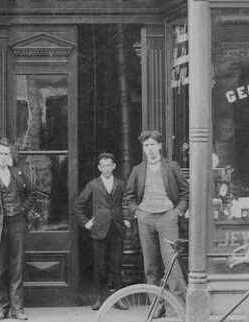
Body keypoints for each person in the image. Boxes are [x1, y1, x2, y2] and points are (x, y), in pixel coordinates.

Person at [123, 130, 189, 304]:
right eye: (146, 145)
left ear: (159, 146)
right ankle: (156, 307)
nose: (150, 148)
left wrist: (177, 211)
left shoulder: (171, 166)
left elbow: (185, 192)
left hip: (167, 217)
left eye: (152, 144)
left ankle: (181, 305)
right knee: (150, 264)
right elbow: (129, 195)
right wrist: (137, 212)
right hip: (146, 218)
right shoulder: (137, 170)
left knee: (171, 262)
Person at [0, 138, 36, 320]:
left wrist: (23, 209)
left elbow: (33, 192)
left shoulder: (18, 173)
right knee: (0, 269)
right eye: (1, 154)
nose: (3, 157)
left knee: (17, 267)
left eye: (6, 154)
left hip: (17, 224)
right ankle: (2, 309)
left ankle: (17, 309)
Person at [73, 152, 132, 310]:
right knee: (100, 266)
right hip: (99, 230)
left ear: (114, 166)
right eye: (103, 166)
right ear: (99, 168)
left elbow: (129, 201)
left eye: (109, 165)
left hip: (117, 229)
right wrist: (86, 223)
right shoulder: (93, 185)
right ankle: (101, 297)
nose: (106, 168)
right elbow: (78, 205)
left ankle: (118, 298)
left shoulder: (121, 184)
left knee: (116, 265)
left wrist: (128, 219)